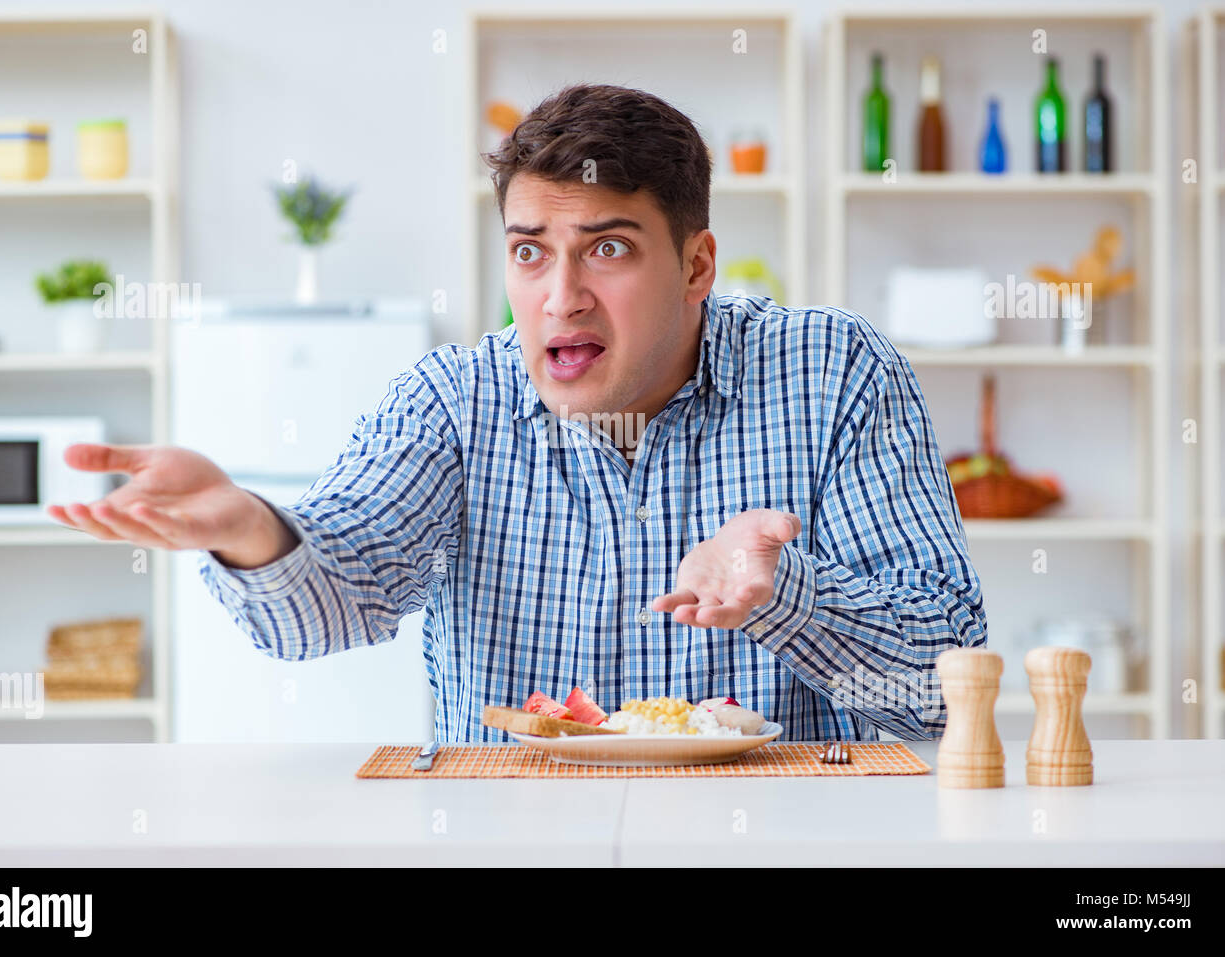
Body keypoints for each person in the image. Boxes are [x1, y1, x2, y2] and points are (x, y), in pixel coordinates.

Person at [49, 83, 986, 743]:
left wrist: (786, 597)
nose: (560, 297)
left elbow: (940, 694)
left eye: (608, 249)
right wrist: (252, 529)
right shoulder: (453, 402)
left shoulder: (834, 373)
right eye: (530, 253)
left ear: (698, 265)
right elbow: (322, 612)